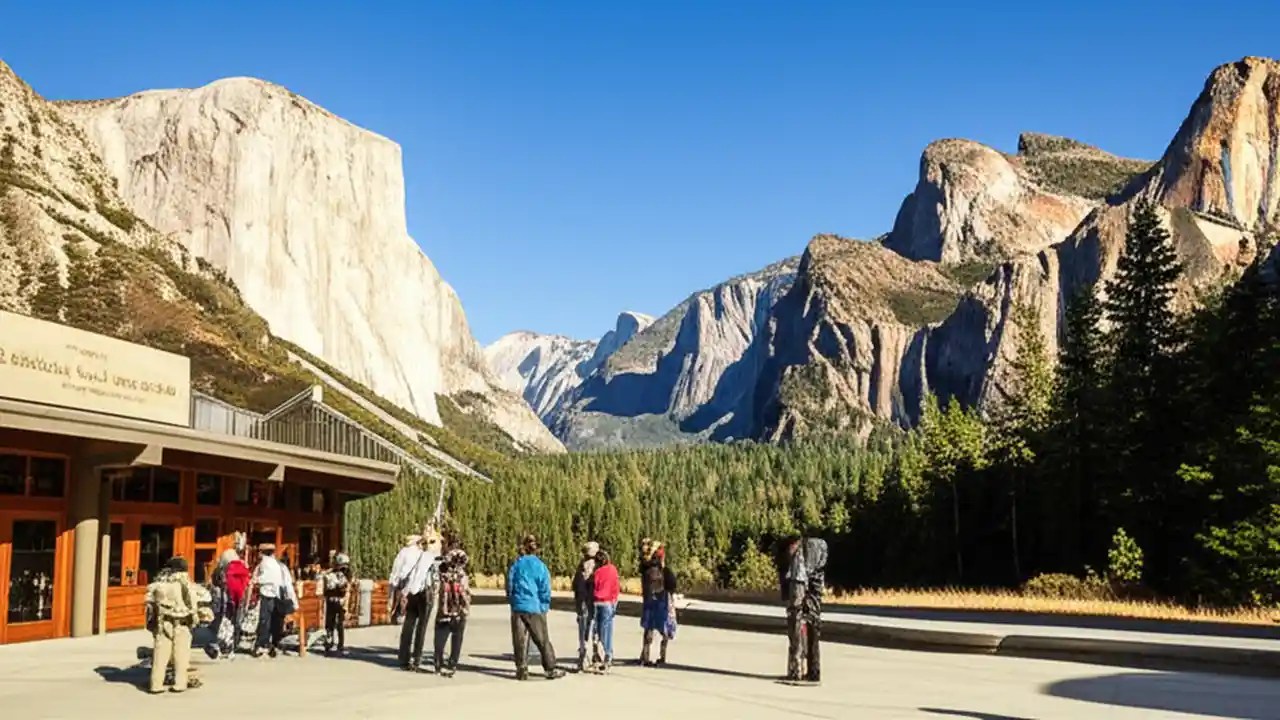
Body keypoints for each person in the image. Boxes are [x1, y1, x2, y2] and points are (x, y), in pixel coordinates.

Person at [506, 534, 564, 680]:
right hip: (534, 606)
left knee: (519, 639)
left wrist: (513, 601)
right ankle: (550, 668)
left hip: (518, 606)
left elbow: (509, 585)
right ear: (537, 549)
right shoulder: (541, 566)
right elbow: (545, 588)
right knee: (542, 639)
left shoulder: (516, 565)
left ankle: (521, 668)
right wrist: (544, 605)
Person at [145, 557, 201, 693]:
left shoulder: (161, 585)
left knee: (160, 654)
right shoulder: (189, 586)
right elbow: (200, 602)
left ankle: (156, 684)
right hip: (183, 624)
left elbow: (149, 601)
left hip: (164, 622)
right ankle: (180, 684)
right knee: (181, 655)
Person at [781, 536, 828, 684]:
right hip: (818, 558)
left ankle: (797, 669)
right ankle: (814, 670)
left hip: (801, 572)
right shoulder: (820, 546)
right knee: (813, 618)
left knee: (796, 617)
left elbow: (797, 588)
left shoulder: (798, 555)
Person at [390, 534, 437, 671]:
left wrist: (395, 593)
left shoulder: (403, 553)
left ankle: (403, 656)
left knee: (408, 624)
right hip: (424, 593)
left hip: (410, 591)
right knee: (421, 627)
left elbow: (396, 575)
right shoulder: (428, 556)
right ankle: (417, 658)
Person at [432, 545, 471, 677]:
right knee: (457, 639)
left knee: (440, 639)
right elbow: (466, 594)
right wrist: (466, 609)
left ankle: (438, 663)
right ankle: (452, 663)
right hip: (459, 612)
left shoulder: (442, 576)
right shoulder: (463, 576)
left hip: (444, 612)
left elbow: (436, 591)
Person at [206, 548, 251, 659]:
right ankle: (234, 644)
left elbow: (218, 583)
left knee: (226, 621)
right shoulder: (243, 567)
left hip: (228, 599)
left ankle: (224, 644)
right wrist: (247, 601)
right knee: (237, 621)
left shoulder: (224, 569)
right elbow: (248, 584)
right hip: (240, 598)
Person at [251, 543, 294, 658]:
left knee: (265, 620)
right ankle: (275, 643)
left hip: (267, 595)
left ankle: (263, 644)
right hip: (279, 596)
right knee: (276, 621)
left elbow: (261, 579)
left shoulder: (264, 564)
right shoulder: (279, 565)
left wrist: (255, 581)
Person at [639, 541, 678, 666]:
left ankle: (645, 655)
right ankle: (662, 656)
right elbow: (672, 584)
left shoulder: (645, 569)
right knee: (664, 630)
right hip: (661, 601)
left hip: (648, 601)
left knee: (648, 628)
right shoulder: (663, 570)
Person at [572, 540, 600, 672]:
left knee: (583, 629)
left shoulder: (581, 567)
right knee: (593, 628)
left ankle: (583, 656)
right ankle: (592, 656)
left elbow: (575, 586)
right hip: (592, 601)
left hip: (582, 602)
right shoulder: (598, 567)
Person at [591, 549, 620, 672]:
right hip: (608, 602)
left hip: (596, 602)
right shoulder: (612, 570)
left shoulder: (596, 572)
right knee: (607, 631)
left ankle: (596, 655)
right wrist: (615, 603)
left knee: (596, 630)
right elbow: (616, 587)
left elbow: (593, 586)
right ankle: (608, 655)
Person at [320, 552, 353, 656]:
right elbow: (327, 589)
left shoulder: (340, 575)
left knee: (338, 623)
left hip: (337, 600)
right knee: (333, 623)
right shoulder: (331, 575)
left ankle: (337, 643)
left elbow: (346, 589)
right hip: (335, 600)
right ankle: (332, 643)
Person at [389, 534, 422, 624]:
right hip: (410, 578)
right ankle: (404, 614)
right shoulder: (417, 552)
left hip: (403, 577)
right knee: (406, 597)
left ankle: (399, 615)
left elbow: (397, 566)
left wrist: (395, 578)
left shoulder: (403, 551)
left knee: (401, 597)